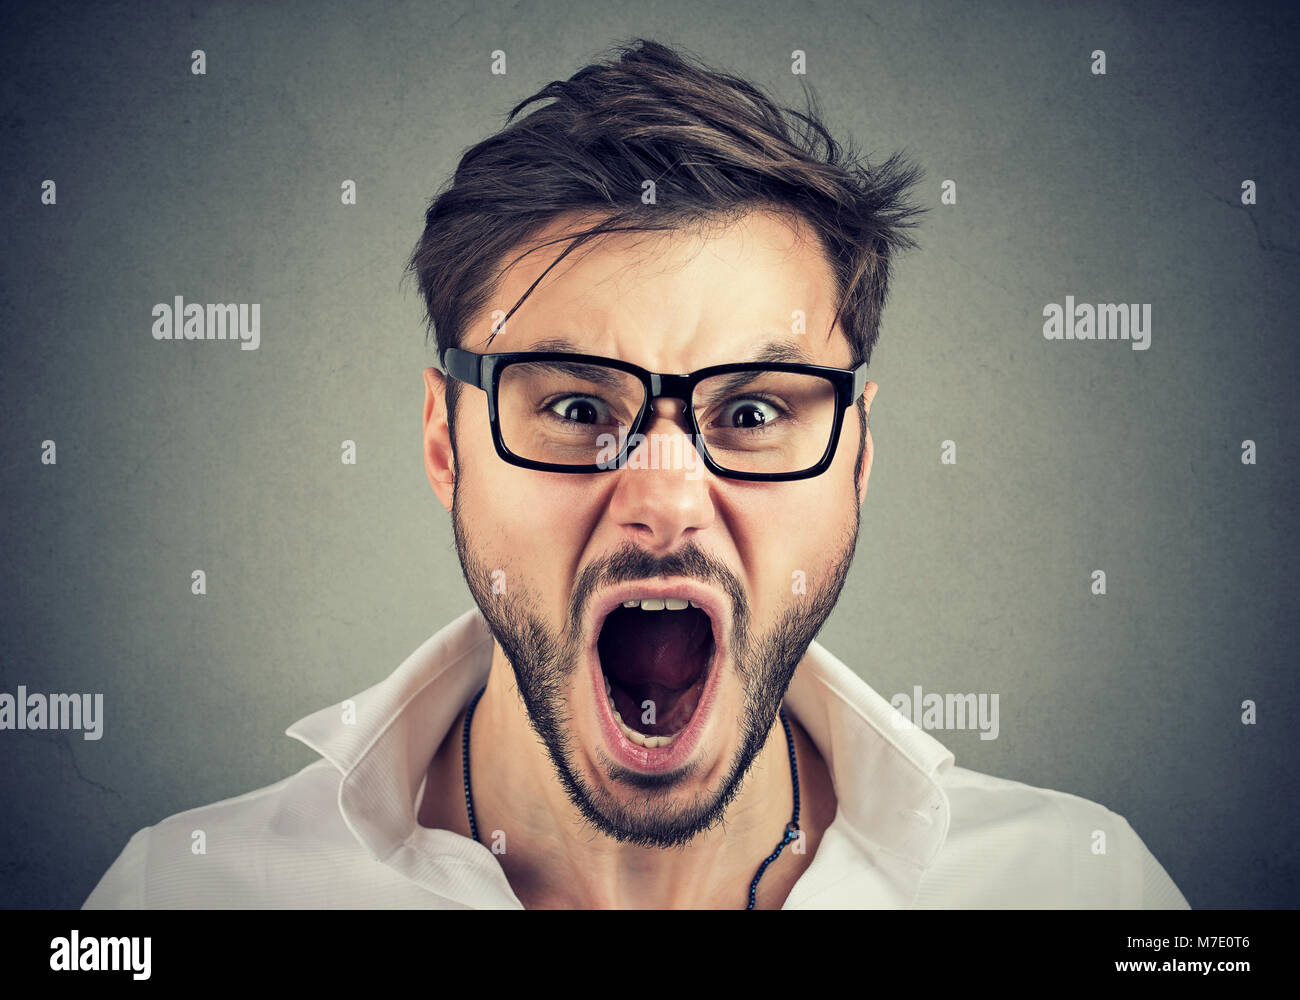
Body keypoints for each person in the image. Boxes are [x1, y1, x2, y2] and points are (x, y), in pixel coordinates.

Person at [84, 38, 1187, 910]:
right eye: (573, 408)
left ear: (857, 456)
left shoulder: (1086, 890)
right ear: (442, 442)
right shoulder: (179, 898)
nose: (661, 498)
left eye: (752, 411)